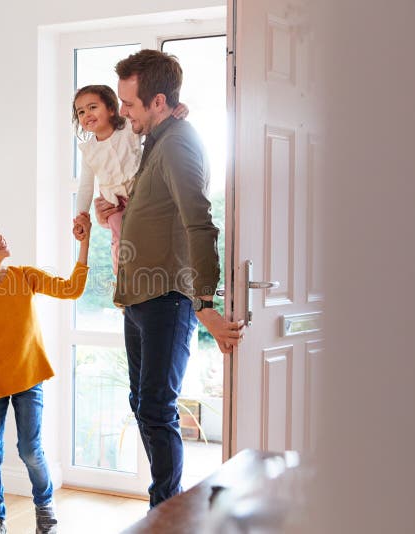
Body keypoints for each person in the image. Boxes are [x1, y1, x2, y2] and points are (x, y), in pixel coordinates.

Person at [94, 49, 246, 507]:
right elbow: (156, 209)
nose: (123, 113)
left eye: (129, 104)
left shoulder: (178, 142)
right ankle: (165, 506)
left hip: (166, 298)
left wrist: (205, 304)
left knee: (156, 408)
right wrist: (117, 211)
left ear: (158, 102)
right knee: (143, 405)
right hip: (138, 299)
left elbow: (200, 223)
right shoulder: (157, 139)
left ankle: (166, 512)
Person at [0, 211, 92, 534]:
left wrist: (84, 244)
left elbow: (71, 290)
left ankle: (45, 510)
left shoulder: (24, 276)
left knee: (30, 450)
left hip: (28, 379)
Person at [72, 85, 187, 274]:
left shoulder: (128, 127)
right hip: (115, 203)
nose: (87, 115)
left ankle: (158, 267)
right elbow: (85, 186)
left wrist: (177, 111)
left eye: (92, 107)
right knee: (121, 240)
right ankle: (123, 276)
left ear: (111, 109)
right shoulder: (88, 150)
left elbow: (155, 124)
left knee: (150, 235)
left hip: (142, 195)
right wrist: (81, 217)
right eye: (81, 112)